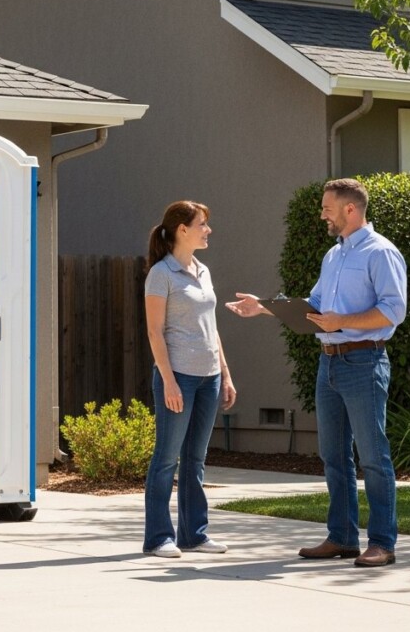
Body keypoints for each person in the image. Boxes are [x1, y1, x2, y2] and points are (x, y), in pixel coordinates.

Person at [226, 178, 406, 568]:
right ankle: (342, 537)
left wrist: (344, 321)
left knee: (373, 456)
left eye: (327, 207)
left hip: (364, 361)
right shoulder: (334, 255)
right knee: (333, 456)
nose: (322, 213)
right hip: (328, 363)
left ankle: (382, 542)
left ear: (350, 210)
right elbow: (317, 306)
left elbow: (393, 311)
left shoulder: (381, 253)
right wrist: (265, 307)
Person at [142, 200, 237, 558]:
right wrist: (167, 381)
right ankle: (157, 538)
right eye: (202, 224)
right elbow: (154, 333)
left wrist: (225, 374)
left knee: (195, 460)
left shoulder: (203, 270)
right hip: (178, 376)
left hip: (208, 377)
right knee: (166, 459)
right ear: (183, 229)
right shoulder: (161, 274)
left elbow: (211, 328)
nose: (208, 230)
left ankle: (194, 535)